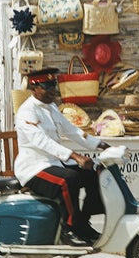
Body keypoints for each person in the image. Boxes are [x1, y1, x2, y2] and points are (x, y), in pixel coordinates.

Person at [14, 68, 110, 246]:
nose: (52, 91)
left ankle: (83, 221)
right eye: (46, 86)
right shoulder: (27, 112)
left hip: (53, 163)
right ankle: (70, 228)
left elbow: (71, 130)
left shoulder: (51, 107)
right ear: (33, 89)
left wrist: (100, 145)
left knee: (93, 172)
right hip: (34, 168)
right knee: (68, 180)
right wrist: (74, 156)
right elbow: (41, 141)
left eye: (53, 86)